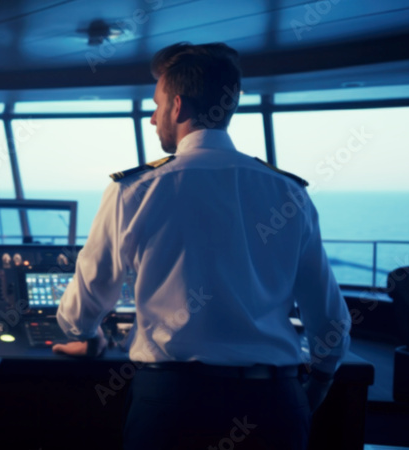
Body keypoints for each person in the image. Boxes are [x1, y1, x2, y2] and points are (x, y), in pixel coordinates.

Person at [52, 42, 351, 449]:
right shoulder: (290, 193)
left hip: (174, 406)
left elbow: (90, 293)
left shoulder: (134, 190)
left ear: (177, 107)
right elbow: (330, 320)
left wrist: (85, 334)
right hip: (274, 405)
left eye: (156, 105)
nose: (152, 117)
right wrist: (316, 383)